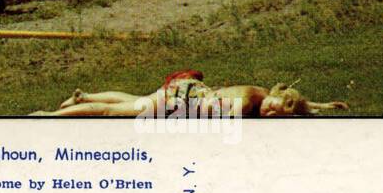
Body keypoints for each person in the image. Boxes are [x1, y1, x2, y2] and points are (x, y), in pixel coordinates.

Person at [32, 78, 349, 118]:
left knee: (138, 97)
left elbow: (297, 104)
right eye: (271, 110)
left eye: (275, 114)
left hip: (187, 90)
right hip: (180, 103)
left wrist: (322, 106)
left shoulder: (269, 94)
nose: (270, 113)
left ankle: (84, 95)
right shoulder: (249, 103)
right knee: (110, 114)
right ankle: (50, 117)